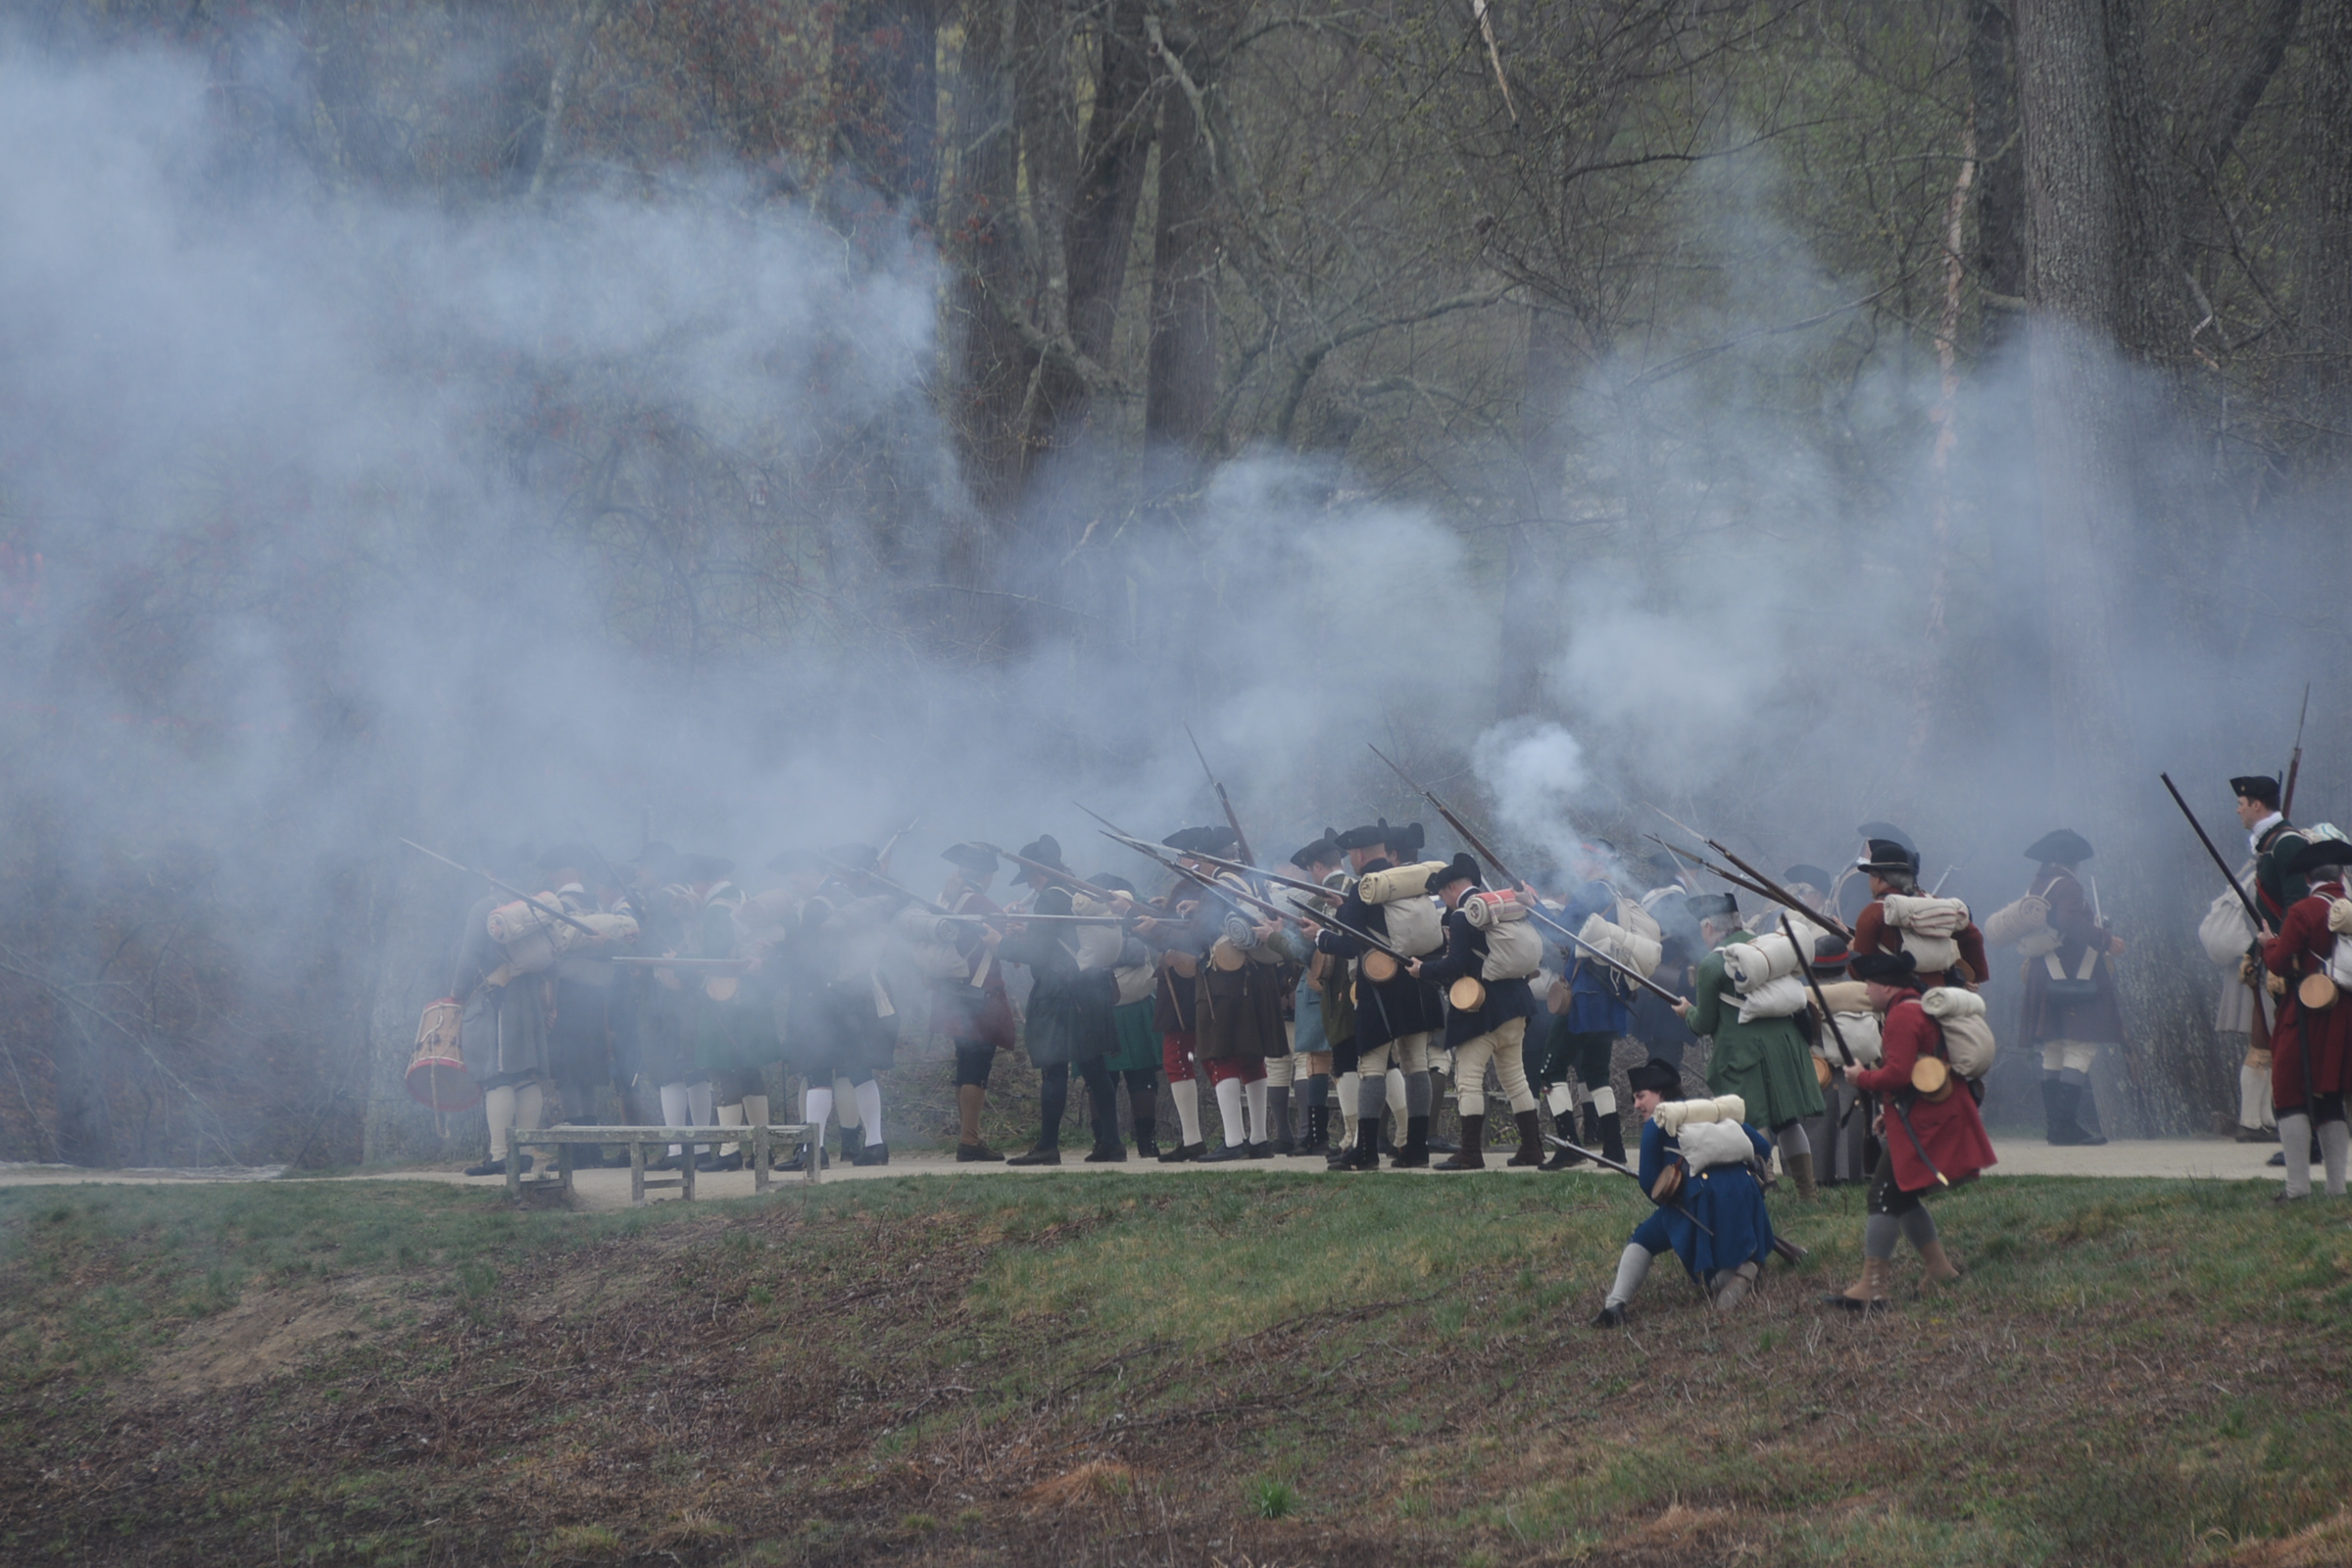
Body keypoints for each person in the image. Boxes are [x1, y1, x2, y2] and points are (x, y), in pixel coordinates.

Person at [1826, 952, 1996, 1309]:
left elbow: (1899, 1074)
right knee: (1901, 1196)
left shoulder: (1902, 1015)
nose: (1866, 990)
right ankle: (1940, 1271)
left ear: (1887, 987)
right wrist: (1888, 1113)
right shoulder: (1912, 1007)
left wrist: (1862, 1078)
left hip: (1930, 1118)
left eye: (1870, 983)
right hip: (1928, 1113)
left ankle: (1873, 1286)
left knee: (1883, 1195)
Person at [1591, 1059, 1779, 1326]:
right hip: (1746, 1196)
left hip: (1699, 1198)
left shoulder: (1657, 1123)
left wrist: (1671, 1194)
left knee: (1644, 1238)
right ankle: (1747, 1267)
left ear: (1661, 1093)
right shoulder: (1712, 1111)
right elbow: (1762, 1146)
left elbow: (1648, 1183)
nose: (1636, 1105)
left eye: (1641, 1096)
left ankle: (1614, 1306)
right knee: (1727, 1252)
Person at [1314, 818, 1446, 1169]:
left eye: (1351, 855)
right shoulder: (1407, 880)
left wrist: (1320, 937)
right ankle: (1416, 1148)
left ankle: (1366, 1151)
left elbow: (1349, 944)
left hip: (1381, 988)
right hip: (1419, 981)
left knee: (1371, 1066)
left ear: (1358, 853)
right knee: (1417, 1064)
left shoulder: (1366, 887)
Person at [1676, 893, 1826, 1200]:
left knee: (1751, 1120)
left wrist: (1686, 1012)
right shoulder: (1765, 948)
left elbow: (1704, 1023)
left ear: (1708, 927)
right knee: (1787, 1121)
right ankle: (1808, 1193)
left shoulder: (1711, 964)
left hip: (1744, 1054)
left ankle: (1762, 1187)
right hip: (1785, 1047)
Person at [1411, 855, 1544, 1168]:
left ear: (1452, 887)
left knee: (1468, 1080)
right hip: (1516, 1005)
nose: (1444, 900)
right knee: (1516, 1080)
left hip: (1481, 1010)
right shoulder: (1503, 907)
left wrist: (1423, 970)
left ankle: (1470, 1152)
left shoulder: (1463, 916)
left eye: (1443, 893)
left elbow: (1456, 963)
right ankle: (1532, 1147)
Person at [993, 858, 1128, 1165]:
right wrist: (1023, 934)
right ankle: (1112, 1142)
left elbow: (1039, 954)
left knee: (1054, 1067)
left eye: (1029, 876)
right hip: (1086, 989)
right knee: (1094, 1068)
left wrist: (999, 943)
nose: (1029, 884)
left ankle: (1048, 1146)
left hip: (1061, 993)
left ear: (1037, 872)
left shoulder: (1050, 899)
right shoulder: (1069, 895)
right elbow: (1052, 944)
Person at [2013, 829, 2125, 1147]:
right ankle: (2064, 1127)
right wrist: (2105, 939)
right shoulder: (2069, 885)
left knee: (2054, 1046)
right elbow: (2068, 922)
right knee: (2080, 1047)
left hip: (2046, 973)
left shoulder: (2039, 884)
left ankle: (2057, 1128)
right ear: (2072, 860)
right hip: (2073, 976)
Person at [451, 845, 554, 1177]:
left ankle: (498, 1156)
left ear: (491, 873)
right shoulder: (534, 904)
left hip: (496, 997)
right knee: (525, 1076)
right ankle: (525, 1153)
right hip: (529, 998)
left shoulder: (485, 907)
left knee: (496, 1077)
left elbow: (469, 956)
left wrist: (457, 993)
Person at [2260, 836, 2352, 1200]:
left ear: (2309, 877)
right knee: (2330, 1098)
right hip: (2345, 1016)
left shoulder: (2303, 911)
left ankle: (2297, 1188)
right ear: (2340, 875)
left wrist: (2268, 942)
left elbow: (2280, 962)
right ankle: (2336, 1188)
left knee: (2289, 1095)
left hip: (2308, 1013)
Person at [1533, 852, 1638, 1169]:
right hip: (1606, 997)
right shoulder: (1614, 893)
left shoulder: (1590, 891)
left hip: (1583, 998)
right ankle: (1614, 1149)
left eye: (1582, 856)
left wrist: (1531, 904)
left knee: (1550, 1071)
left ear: (1597, 861)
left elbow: (1558, 929)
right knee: (1597, 1074)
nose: (1575, 862)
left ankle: (1569, 1146)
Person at [927, 843, 1017, 1162]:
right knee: (976, 1067)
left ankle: (968, 1137)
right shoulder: (981, 902)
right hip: (980, 995)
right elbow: (1005, 941)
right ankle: (969, 1140)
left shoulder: (946, 899)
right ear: (985, 875)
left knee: (965, 1064)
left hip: (954, 995)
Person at [1848, 837, 1986, 988]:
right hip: (1941, 995)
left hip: (1898, 997)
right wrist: (1974, 977)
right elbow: (1973, 936)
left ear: (1879, 880)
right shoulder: (1934, 903)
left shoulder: (1872, 913)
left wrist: (1851, 951)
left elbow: (1862, 972)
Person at [1798, 934, 1881, 1187]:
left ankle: (1823, 1175)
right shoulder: (1866, 991)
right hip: (1861, 1071)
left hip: (1823, 1071)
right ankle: (1860, 1172)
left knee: (1820, 1125)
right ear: (1845, 967)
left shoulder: (1804, 997)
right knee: (1857, 1122)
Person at [1092, 872, 1163, 1157]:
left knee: (1142, 1078)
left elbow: (1134, 951)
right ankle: (1104, 1142)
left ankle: (1146, 1142)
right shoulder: (1089, 917)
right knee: (1100, 1080)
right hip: (1102, 1010)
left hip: (1135, 1006)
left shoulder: (1135, 913)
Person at [1281, 839, 1344, 1155]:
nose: (1309, 876)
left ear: (1318, 866)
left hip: (1325, 985)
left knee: (1320, 1061)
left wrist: (1275, 936)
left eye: (1310, 870)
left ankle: (1318, 1136)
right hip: (1346, 986)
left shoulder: (1319, 900)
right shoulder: (1356, 888)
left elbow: (1305, 951)